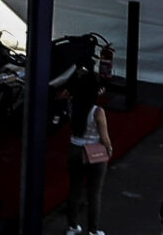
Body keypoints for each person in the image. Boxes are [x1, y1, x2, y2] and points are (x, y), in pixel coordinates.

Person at [66, 74, 111, 235]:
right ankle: (93, 229)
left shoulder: (73, 105)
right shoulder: (98, 111)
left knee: (74, 189)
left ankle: (72, 226)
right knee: (94, 193)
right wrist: (109, 150)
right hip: (94, 152)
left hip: (75, 149)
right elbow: (104, 137)